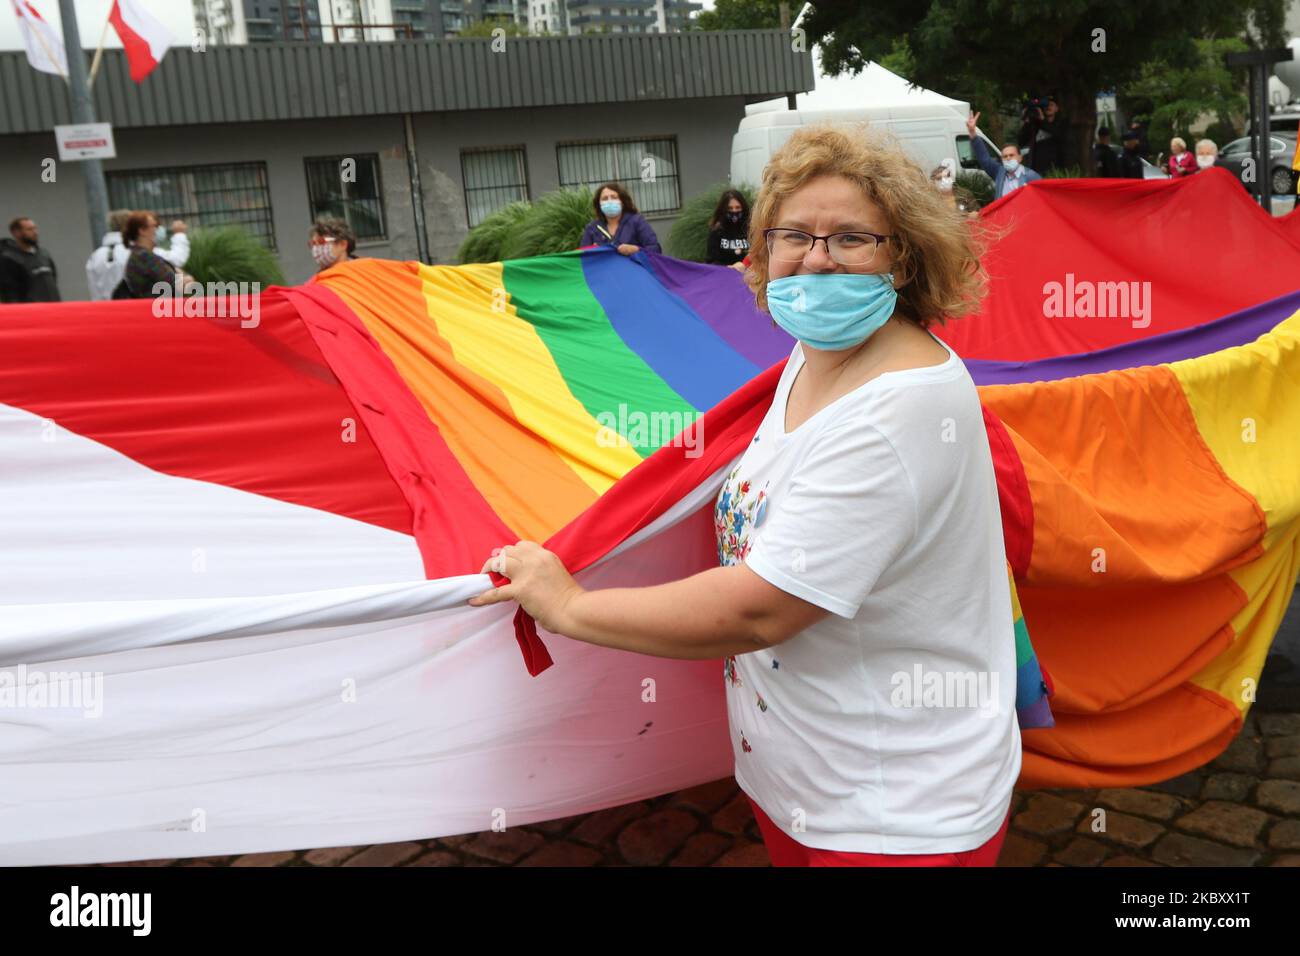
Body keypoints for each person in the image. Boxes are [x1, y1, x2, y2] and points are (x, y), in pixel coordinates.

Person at [470, 123, 1020, 867]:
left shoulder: (896, 410)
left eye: (851, 238)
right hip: (806, 785)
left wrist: (568, 607)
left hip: (891, 815)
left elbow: (763, 607)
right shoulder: (815, 355)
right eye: (793, 234)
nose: (816, 260)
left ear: (904, 258)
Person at [87, 210, 190, 301]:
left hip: (106, 313)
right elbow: (178, 259)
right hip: (139, 310)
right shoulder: (142, 253)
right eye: (155, 226)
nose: (157, 229)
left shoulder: (95, 256)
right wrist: (179, 235)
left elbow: (94, 291)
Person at [967, 111, 1042, 200]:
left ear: (1020, 158)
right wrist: (972, 133)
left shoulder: (1031, 176)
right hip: (1003, 214)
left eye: (1011, 155)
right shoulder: (999, 172)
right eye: (1005, 156)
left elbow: (1041, 199)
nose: (1008, 158)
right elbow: (985, 159)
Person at [578, 183, 661, 255]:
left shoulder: (637, 222)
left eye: (614, 197)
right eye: (605, 198)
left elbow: (655, 249)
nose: (609, 201)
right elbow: (583, 255)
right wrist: (592, 251)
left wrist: (636, 249)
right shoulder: (592, 228)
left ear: (622, 201)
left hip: (633, 271)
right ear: (599, 204)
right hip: (604, 272)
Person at [0, 217, 60, 303]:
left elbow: (53, 279)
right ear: (17, 233)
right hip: (30, 311)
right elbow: (9, 291)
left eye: (35, 228)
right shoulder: (9, 258)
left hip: (53, 306)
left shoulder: (44, 254)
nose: (35, 232)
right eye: (29, 229)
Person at [1019, 96, 1067, 175]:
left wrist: (1042, 119)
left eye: (1051, 105)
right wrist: (1027, 122)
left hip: (1054, 170)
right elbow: (1021, 142)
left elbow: (1058, 135)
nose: (1048, 107)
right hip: (1035, 170)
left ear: (1057, 109)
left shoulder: (1061, 124)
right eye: (1046, 105)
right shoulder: (1035, 124)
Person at [706, 189, 750, 271]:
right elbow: (711, 260)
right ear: (723, 209)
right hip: (725, 277)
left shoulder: (751, 228)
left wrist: (744, 265)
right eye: (730, 208)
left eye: (738, 207)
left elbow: (759, 255)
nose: (734, 211)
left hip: (749, 276)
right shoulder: (717, 230)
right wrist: (729, 269)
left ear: (743, 207)